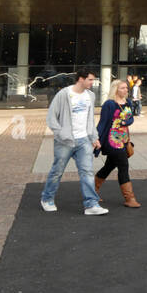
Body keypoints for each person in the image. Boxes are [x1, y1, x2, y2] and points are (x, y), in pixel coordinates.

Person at [40, 71, 107, 215]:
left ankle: (91, 205)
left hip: (84, 141)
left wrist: (94, 137)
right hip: (65, 141)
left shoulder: (90, 95)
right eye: (90, 80)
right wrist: (61, 134)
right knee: (57, 172)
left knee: (87, 172)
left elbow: (90, 119)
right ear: (80, 79)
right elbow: (52, 118)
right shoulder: (64, 94)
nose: (92, 83)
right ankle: (47, 198)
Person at [94, 79, 140, 208]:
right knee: (123, 166)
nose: (126, 90)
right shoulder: (109, 104)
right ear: (115, 89)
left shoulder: (128, 102)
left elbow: (130, 119)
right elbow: (102, 123)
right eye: (122, 88)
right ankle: (130, 198)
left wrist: (125, 123)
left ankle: (92, 191)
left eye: (126, 88)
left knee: (109, 166)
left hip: (124, 140)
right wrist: (96, 139)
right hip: (112, 140)